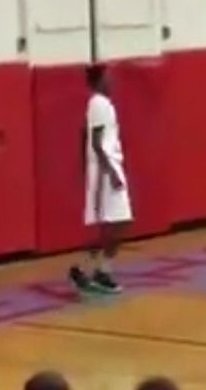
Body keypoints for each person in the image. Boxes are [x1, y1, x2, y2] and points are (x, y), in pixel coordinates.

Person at [70, 64, 131, 294]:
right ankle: (95, 270)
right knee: (115, 223)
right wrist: (110, 171)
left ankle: (93, 269)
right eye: (108, 77)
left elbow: (84, 135)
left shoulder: (102, 104)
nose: (111, 81)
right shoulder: (98, 104)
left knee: (116, 223)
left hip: (108, 165)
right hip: (106, 168)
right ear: (99, 80)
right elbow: (95, 141)